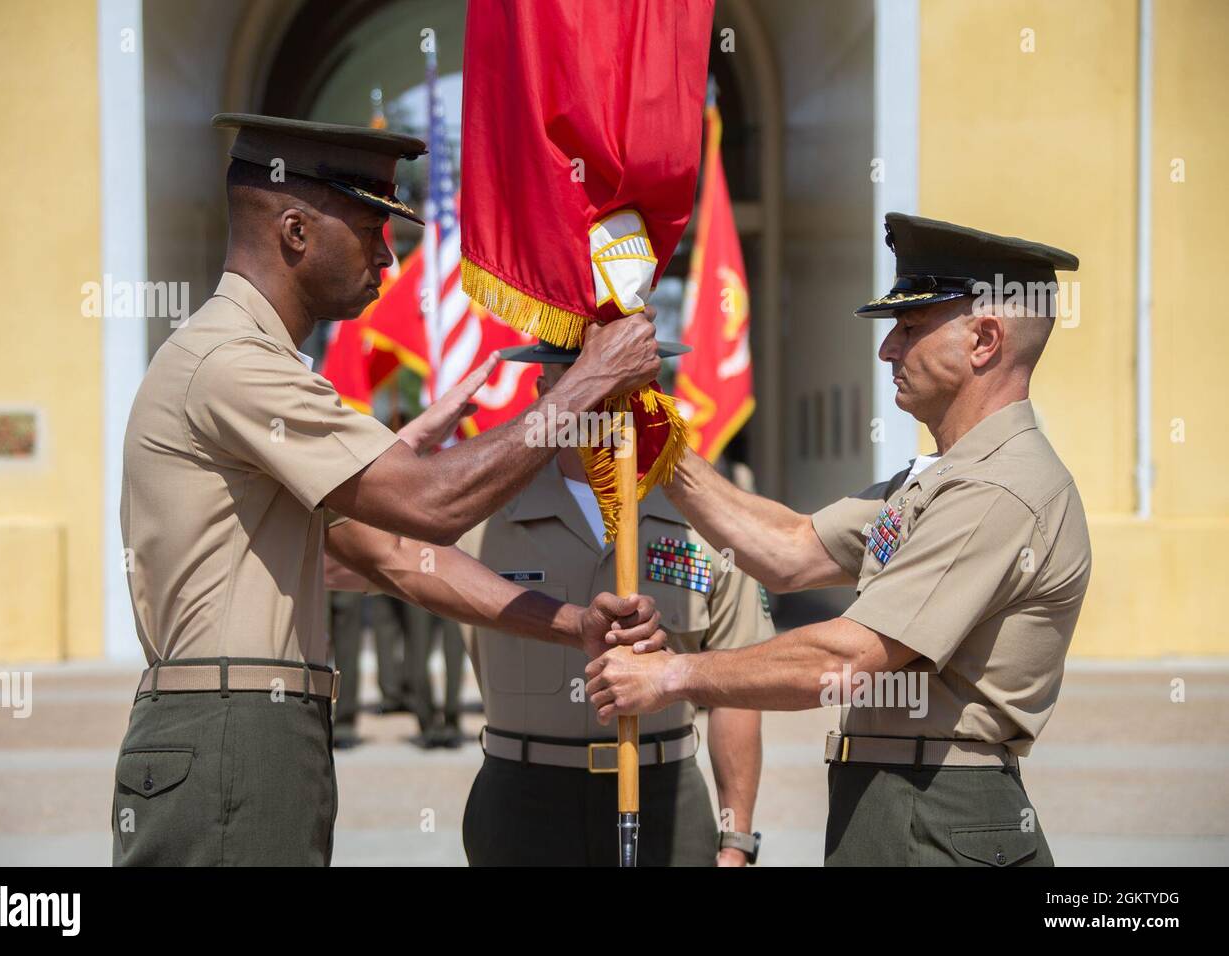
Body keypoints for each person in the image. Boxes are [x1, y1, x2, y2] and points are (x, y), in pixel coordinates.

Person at [113, 113, 666, 866]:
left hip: (249, 727)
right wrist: (590, 381)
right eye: (372, 230)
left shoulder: (248, 363)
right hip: (230, 730)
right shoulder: (234, 364)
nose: (388, 258)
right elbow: (429, 505)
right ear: (296, 231)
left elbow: (400, 557)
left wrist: (574, 625)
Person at [585, 213, 1091, 867]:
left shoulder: (997, 490)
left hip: (938, 804)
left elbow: (846, 658)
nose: (888, 351)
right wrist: (659, 435)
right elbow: (789, 550)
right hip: (904, 795)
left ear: (985, 340)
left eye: (909, 328)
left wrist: (673, 674)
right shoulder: (946, 478)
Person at [456, 355, 771, 866]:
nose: (602, 391)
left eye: (621, 375)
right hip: (524, 802)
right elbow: (376, 554)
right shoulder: (482, 517)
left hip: (666, 795)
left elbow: (738, 689)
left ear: (653, 389)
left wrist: (737, 842)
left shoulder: (708, 517)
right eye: (578, 377)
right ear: (543, 392)